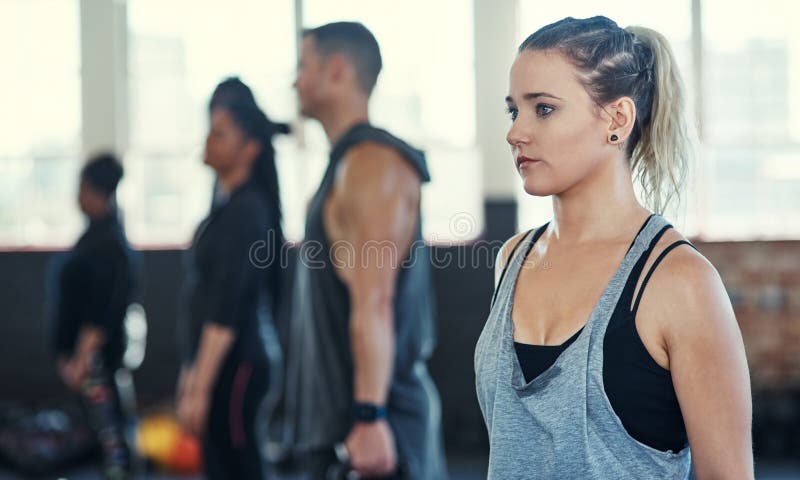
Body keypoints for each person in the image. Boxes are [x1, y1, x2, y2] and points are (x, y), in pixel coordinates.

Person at [474, 16, 753, 479]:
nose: (515, 132)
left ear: (617, 120)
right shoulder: (511, 259)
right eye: (513, 110)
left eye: (543, 108)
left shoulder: (679, 282)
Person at [281, 21, 446, 479]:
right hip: (337, 423)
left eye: (303, 66)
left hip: (377, 428)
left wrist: (370, 416)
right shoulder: (345, 165)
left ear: (336, 71)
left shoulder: (373, 165)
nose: (294, 80)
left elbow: (375, 301)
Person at [176, 78, 288, 479]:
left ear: (250, 149)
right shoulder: (225, 207)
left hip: (240, 363)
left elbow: (226, 306)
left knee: (241, 466)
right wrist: (191, 374)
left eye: (220, 134)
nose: (209, 141)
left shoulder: (248, 211)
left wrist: (199, 388)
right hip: (222, 361)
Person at [47, 152, 138, 480]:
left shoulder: (109, 243)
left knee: (112, 442)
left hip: (96, 364)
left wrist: (83, 359)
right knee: (102, 437)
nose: (78, 196)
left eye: (82, 188)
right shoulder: (97, 235)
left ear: (97, 191)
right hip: (87, 362)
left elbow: (102, 310)